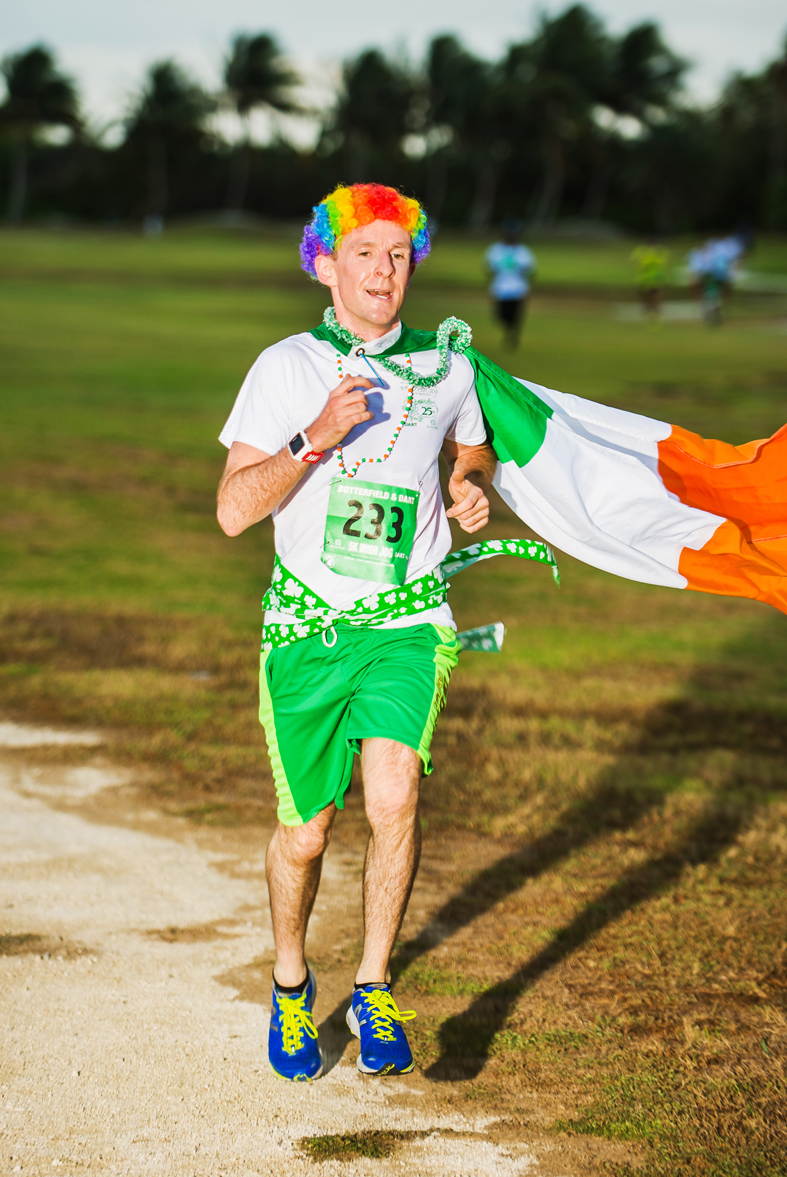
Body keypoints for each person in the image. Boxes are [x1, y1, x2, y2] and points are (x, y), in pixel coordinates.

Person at [216, 183, 496, 1083]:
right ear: (326, 266)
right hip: (306, 624)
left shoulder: (449, 366)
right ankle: (293, 983)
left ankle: (373, 985)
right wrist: (313, 439)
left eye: (398, 255)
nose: (384, 271)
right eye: (365, 255)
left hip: (408, 618)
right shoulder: (285, 367)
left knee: (395, 798)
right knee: (307, 833)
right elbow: (230, 512)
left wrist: (469, 484)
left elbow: (473, 443)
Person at [484, 219, 535, 349]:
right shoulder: (495, 249)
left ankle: (512, 337)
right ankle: (509, 331)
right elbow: (489, 268)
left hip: (517, 289)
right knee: (501, 316)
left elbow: (529, 270)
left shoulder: (523, 251)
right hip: (501, 288)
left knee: (515, 316)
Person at [630, 242, 669, 321]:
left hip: (650, 279)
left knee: (651, 298)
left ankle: (652, 314)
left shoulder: (643, 253)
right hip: (649, 279)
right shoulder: (657, 253)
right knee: (651, 298)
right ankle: (653, 314)